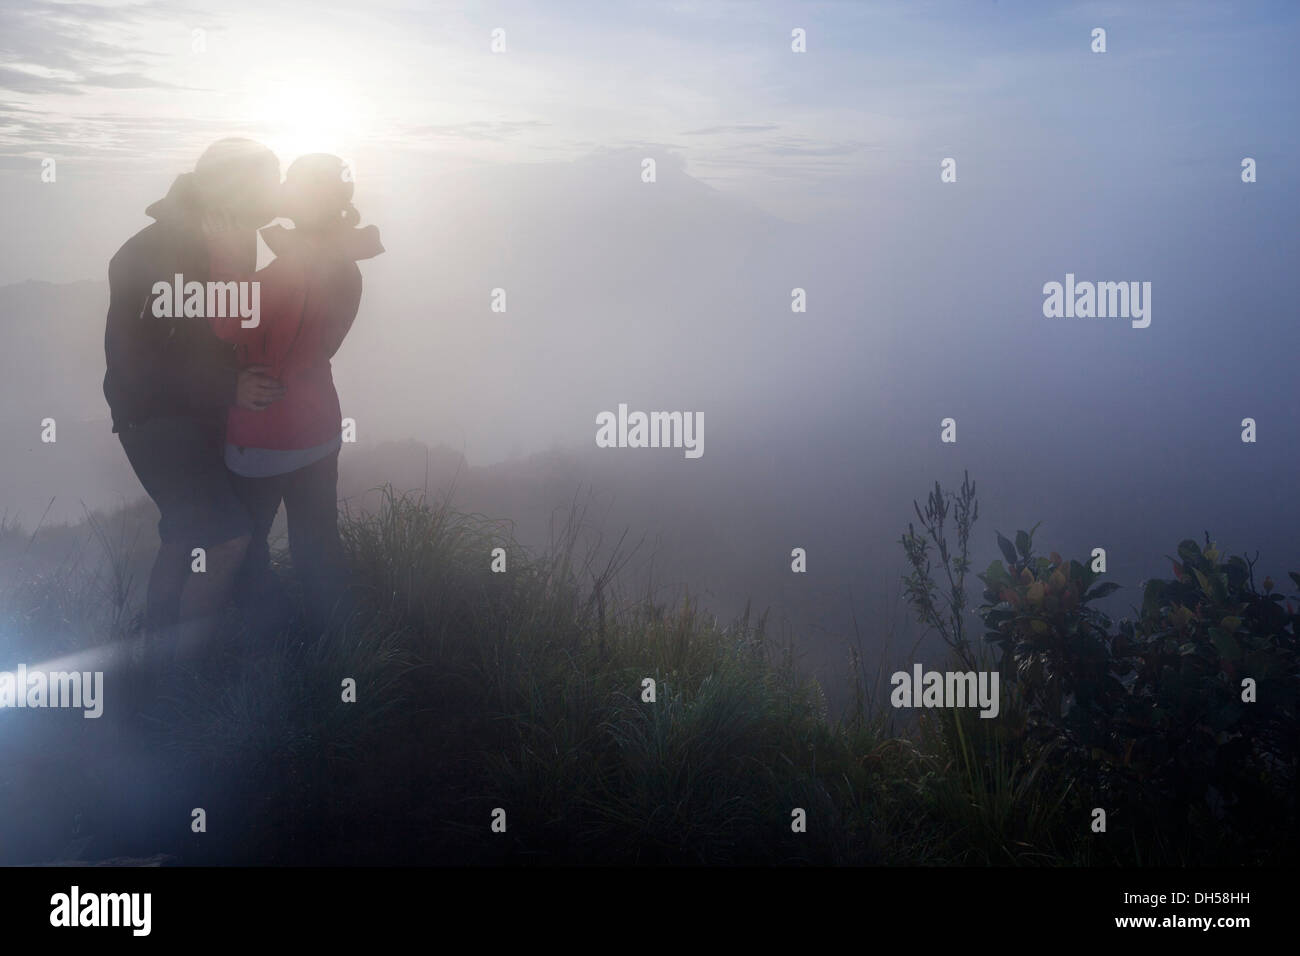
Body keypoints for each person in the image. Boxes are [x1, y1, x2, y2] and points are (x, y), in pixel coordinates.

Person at [104, 138, 286, 658]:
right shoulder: (152, 252)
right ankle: (185, 675)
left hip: (185, 415)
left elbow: (226, 332)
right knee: (227, 538)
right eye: (264, 188)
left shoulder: (230, 234)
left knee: (184, 536)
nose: (271, 201)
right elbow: (135, 363)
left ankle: (152, 660)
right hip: (156, 420)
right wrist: (231, 387)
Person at [207, 153, 384, 632]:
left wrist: (225, 250)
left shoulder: (292, 268)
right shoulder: (347, 265)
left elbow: (227, 323)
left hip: (265, 431)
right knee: (319, 546)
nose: (282, 189)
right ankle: (342, 648)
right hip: (319, 425)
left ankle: (270, 648)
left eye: (291, 183)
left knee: (247, 545)